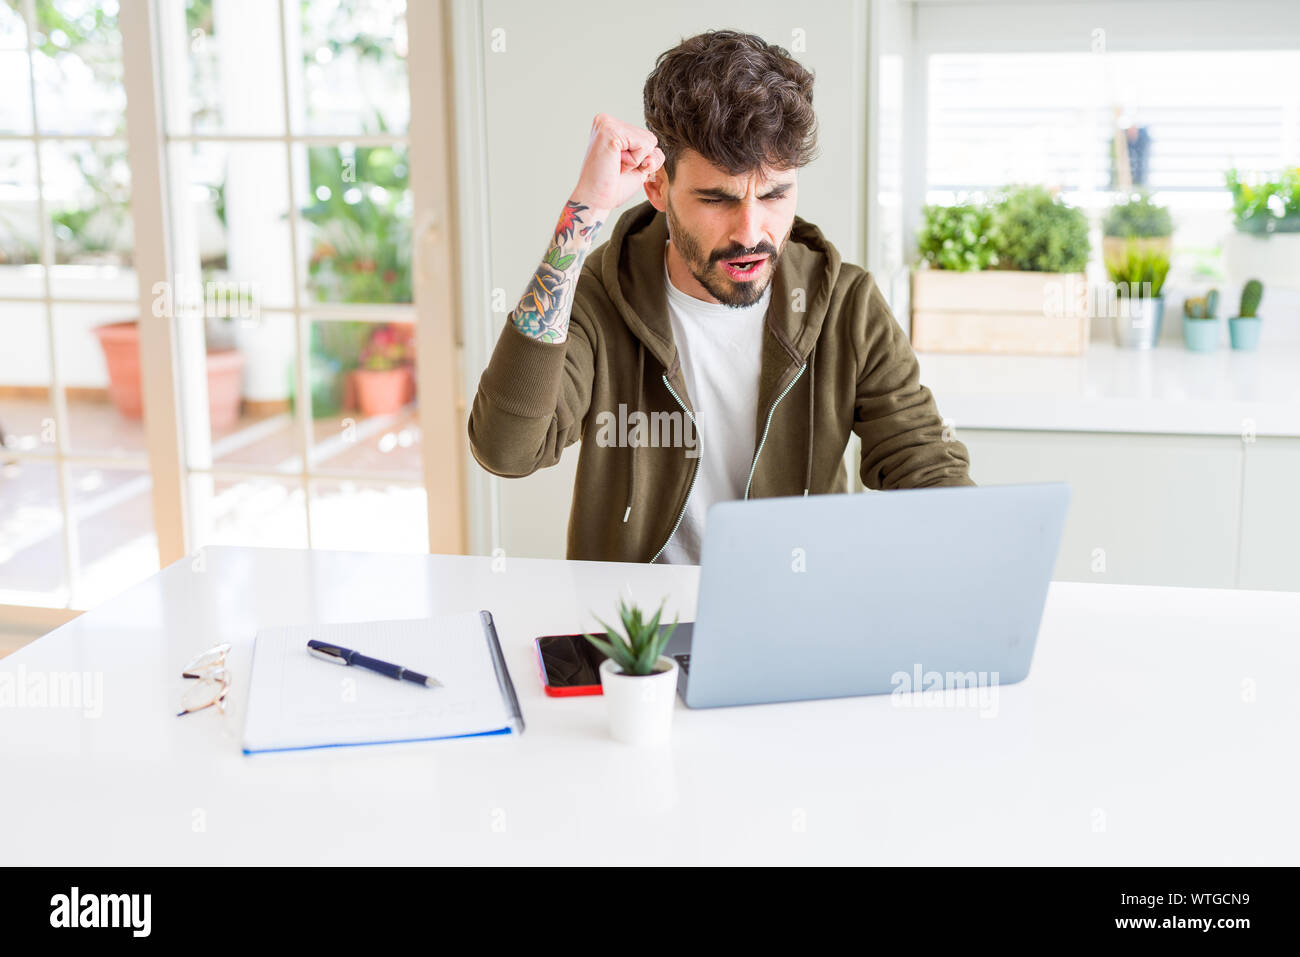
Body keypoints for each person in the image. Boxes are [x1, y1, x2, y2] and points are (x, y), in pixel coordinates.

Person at [468, 29, 973, 565]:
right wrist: (584, 212)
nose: (751, 232)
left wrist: (974, 549)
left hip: (792, 617)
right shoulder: (598, 293)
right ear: (657, 187)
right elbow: (507, 450)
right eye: (717, 199)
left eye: (776, 195)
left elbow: (924, 464)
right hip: (636, 635)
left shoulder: (848, 304)